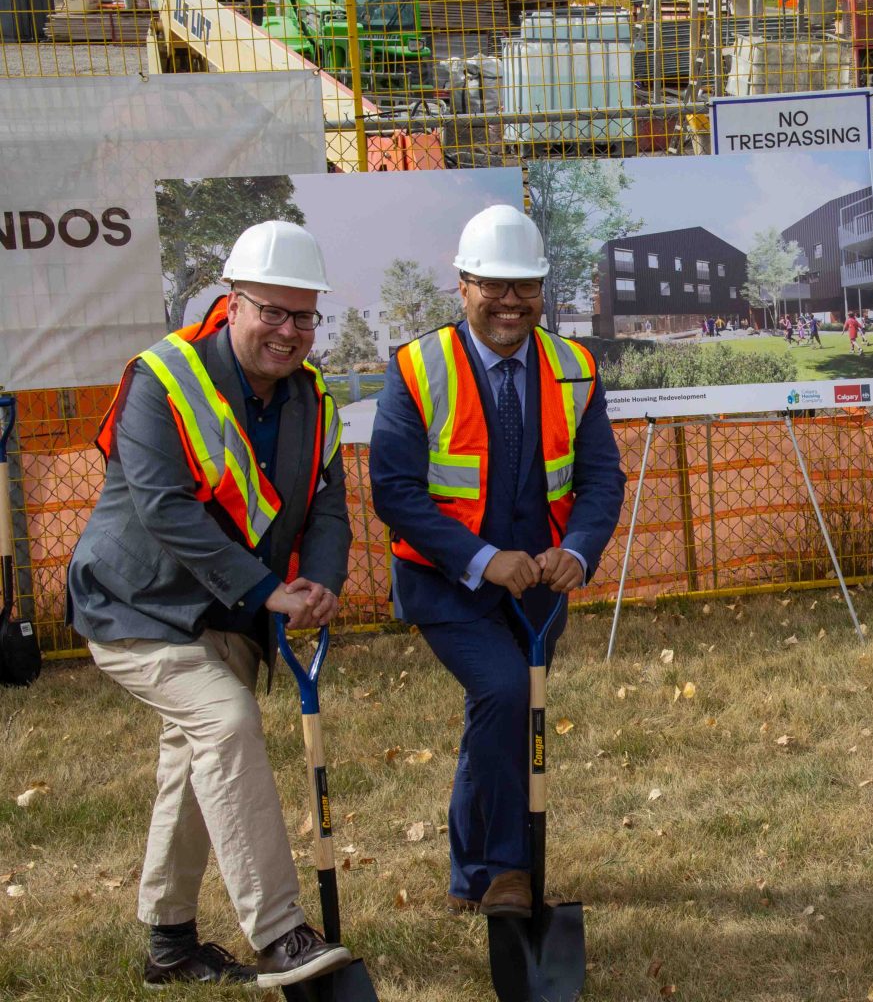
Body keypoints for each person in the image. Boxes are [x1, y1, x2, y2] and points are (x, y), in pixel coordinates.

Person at [68, 221, 353, 989]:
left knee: (194, 758)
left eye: (304, 316)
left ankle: (170, 941)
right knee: (225, 723)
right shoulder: (161, 381)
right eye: (273, 311)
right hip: (135, 604)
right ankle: (281, 932)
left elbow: (327, 503)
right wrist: (268, 591)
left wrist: (320, 581)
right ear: (232, 303)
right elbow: (166, 509)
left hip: (224, 613)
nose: (290, 333)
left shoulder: (312, 399)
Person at [369, 205, 624, 917]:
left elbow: (602, 477)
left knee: (498, 713)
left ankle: (466, 875)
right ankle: (508, 872)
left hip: (541, 588)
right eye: (494, 286)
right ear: (463, 286)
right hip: (444, 584)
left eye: (526, 287)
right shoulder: (417, 369)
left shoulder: (573, 368)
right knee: (509, 695)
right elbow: (395, 490)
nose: (511, 302)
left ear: (543, 289)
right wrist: (483, 559)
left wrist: (577, 550)